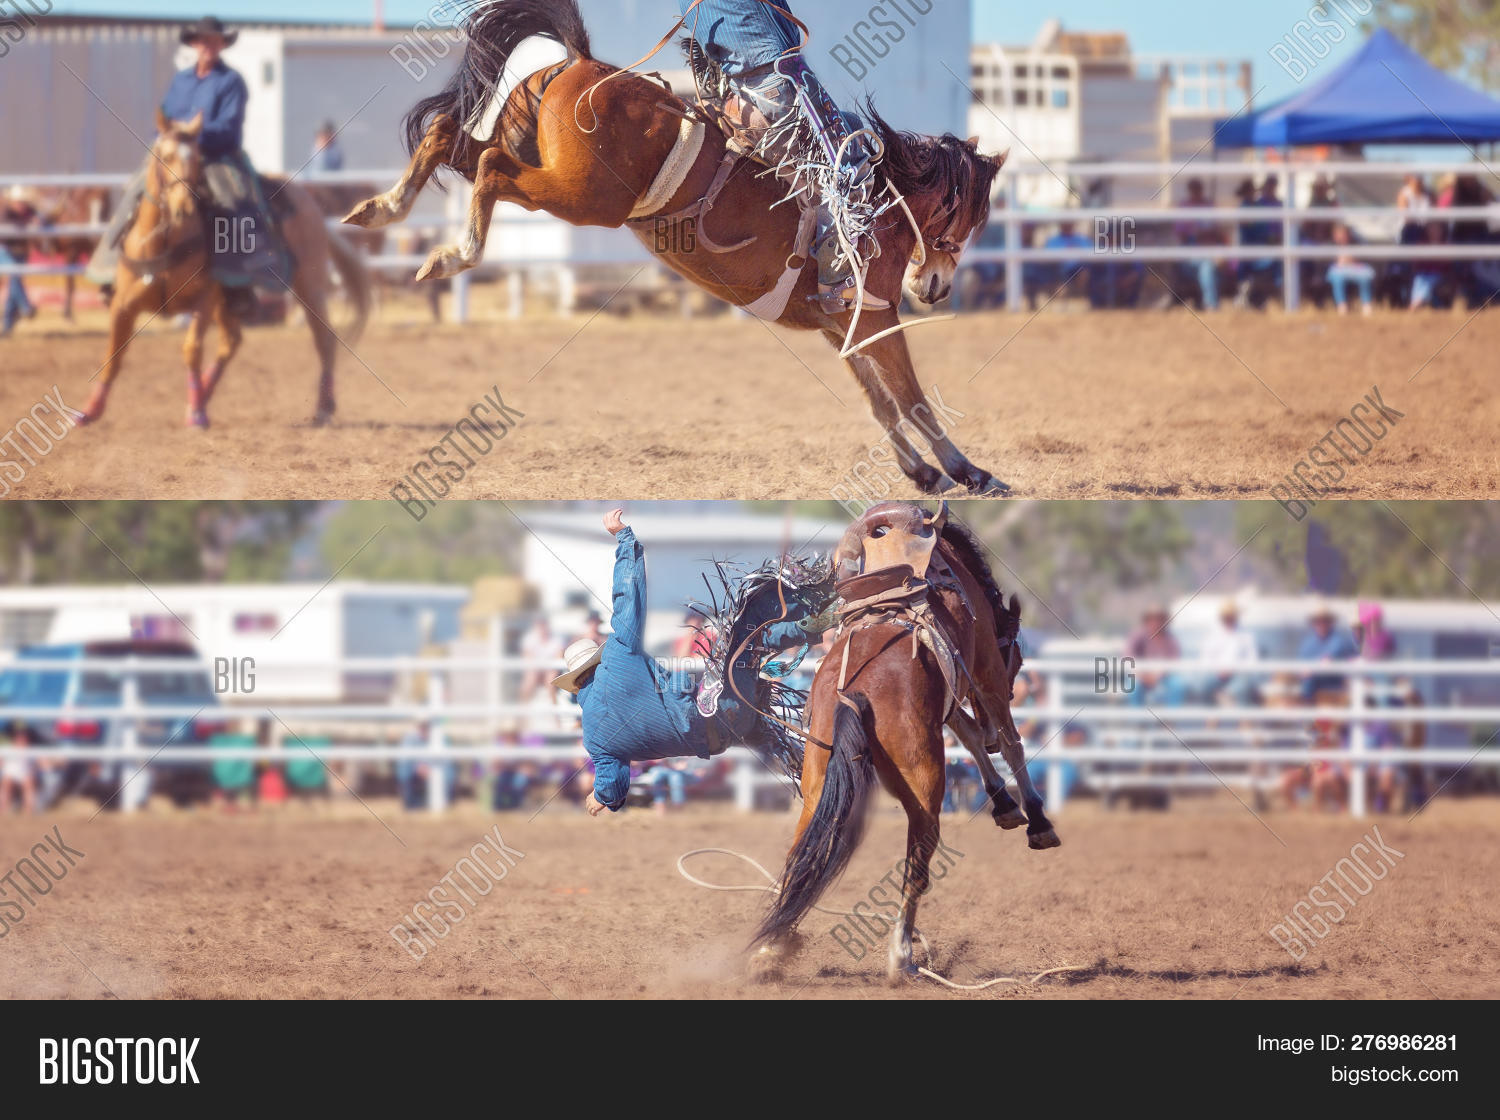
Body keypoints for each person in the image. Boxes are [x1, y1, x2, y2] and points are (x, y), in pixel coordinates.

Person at [557, 508, 832, 816]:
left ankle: (814, 767)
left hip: (723, 740)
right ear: (595, 660)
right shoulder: (617, 655)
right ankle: (815, 618)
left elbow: (613, 779)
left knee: (764, 724)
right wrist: (624, 539)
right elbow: (628, 598)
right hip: (720, 713)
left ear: (576, 682)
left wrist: (603, 796)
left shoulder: (593, 736)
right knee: (746, 632)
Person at [679, 0, 883, 312]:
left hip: (738, 88)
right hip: (778, 85)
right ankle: (837, 284)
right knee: (847, 168)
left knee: (852, 124)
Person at [87, 16, 289, 313]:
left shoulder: (231, 82)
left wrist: (193, 134)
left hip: (216, 154)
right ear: (195, 43)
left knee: (233, 199)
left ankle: (239, 282)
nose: (209, 45)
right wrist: (171, 136)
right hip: (173, 155)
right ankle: (109, 271)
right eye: (204, 40)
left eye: (215, 40)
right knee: (135, 191)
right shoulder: (181, 80)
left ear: (222, 44)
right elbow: (164, 119)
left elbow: (229, 128)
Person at [1175, 178, 1224, 311]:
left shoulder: (1209, 206)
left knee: (1210, 266)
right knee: (1207, 266)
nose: (1196, 192)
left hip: (1210, 248)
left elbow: (1219, 232)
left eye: (1198, 189)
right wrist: (1196, 235)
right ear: (1190, 191)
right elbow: (1181, 236)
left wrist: (1209, 235)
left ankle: (1210, 303)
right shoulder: (1184, 207)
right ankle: (1211, 304)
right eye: (1194, 189)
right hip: (1192, 252)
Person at [1199, 600, 1260, 708]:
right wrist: (1219, 670)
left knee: (1242, 687)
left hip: (1239, 675)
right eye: (1226, 616)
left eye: (1231, 616)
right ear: (1222, 617)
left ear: (1236, 617)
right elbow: (1205, 659)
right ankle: (1209, 720)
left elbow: (1252, 660)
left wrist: (1234, 669)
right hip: (1216, 675)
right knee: (1205, 687)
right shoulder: (1212, 635)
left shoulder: (1246, 635)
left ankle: (1242, 720)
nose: (1229, 619)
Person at [1124, 605, 1185, 707]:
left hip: (1164, 675)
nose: (1155, 622)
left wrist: (1158, 675)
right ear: (1146, 621)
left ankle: (1170, 719)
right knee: (1133, 687)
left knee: (1177, 685)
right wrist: (1141, 674)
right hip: (1140, 674)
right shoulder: (1137, 636)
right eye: (1151, 619)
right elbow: (1128, 656)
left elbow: (1174, 659)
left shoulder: (1171, 638)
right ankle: (1137, 720)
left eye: (1159, 619)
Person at [1297, 601, 1358, 703]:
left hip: (1334, 687)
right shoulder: (1308, 643)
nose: (1321, 624)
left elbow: (1329, 659)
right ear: (1313, 623)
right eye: (1317, 621)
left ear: (1330, 622)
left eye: (1324, 621)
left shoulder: (1338, 640)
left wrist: (1311, 669)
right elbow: (1301, 668)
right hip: (1311, 687)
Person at [0, 187, 39, 338]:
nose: (21, 205)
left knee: (13, 286)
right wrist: (29, 221)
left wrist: (37, 220)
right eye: (18, 202)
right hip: (5, 251)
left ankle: (7, 327)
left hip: (21, 252)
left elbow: (41, 219)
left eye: (23, 202)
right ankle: (26, 306)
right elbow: (12, 225)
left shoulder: (30, 211)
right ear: (12, 202)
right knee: (15, 277)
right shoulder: (5, 213)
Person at [1327, 224, 1376, 316]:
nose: (1341, 237)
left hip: (1355, 270)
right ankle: (1342, 306)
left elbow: (1364, 257)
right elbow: (1328, 262)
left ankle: (1366, 306)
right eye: (1338, 234)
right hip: (1338, 271)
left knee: (1365, 277)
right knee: (1338, 278)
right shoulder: (1330, 245)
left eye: (1344, 234)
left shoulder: (1357, 244)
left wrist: (1352, 259)